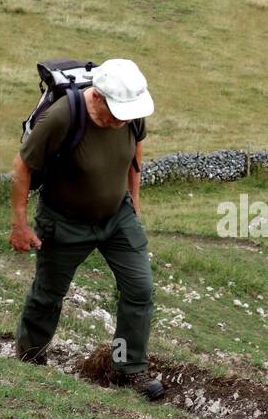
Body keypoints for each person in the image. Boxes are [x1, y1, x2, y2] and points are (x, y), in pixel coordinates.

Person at [9, 58, 163, 400]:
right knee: (48, 294)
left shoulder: (130, 112)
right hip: (64, 222)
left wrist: (133, 200)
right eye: (115, 114)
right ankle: (30, 360)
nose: (121, 120)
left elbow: (136, 148)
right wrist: (19, 225)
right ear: (97, 97)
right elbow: (23, 167)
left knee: (139, 290)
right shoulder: (63, 117)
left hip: (117, 219)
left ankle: (128, 367)